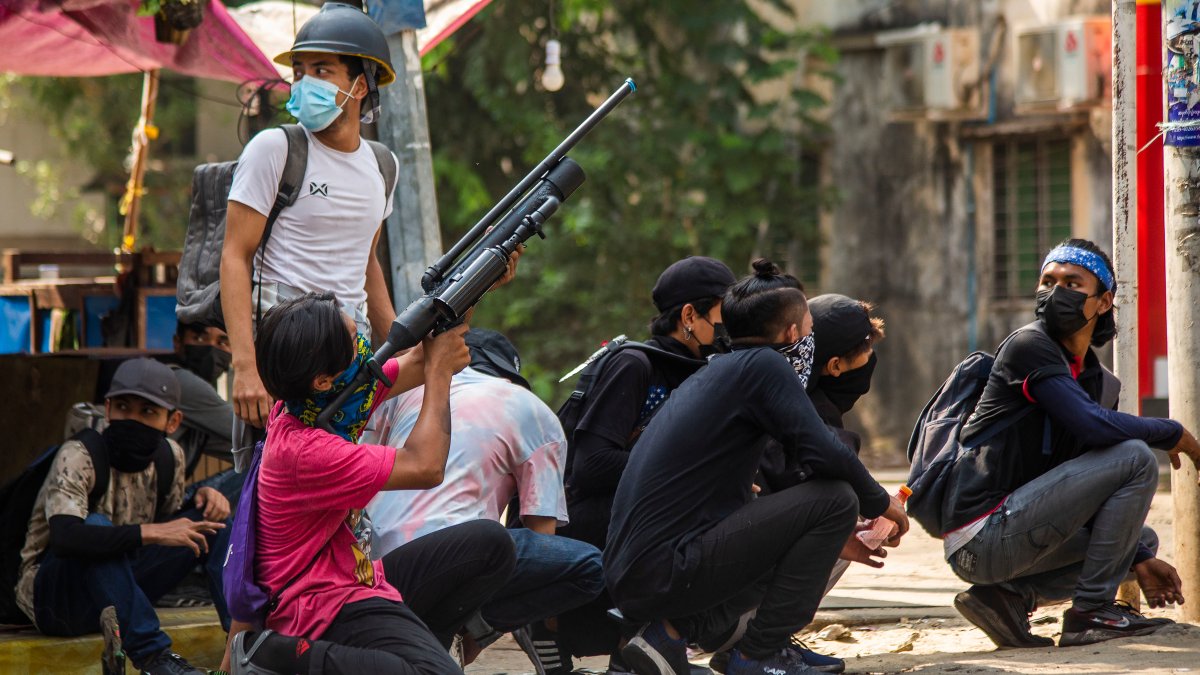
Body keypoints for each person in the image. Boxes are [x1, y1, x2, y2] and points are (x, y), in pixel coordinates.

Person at [604, 260, 909, 675]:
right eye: (810, 329)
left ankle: (667, 636)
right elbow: (822, 451)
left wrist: (827, 539)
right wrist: (881, 504)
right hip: (662, 569)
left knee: (803, 515)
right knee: (836, 499)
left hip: (641, 572)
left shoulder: (724, 368)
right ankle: (759, 653)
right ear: (793, 334)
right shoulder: (764, 366)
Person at [228, 292, 515, 674]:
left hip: (356, 578)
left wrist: (473, 287)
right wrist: (440, 375)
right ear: (323, 380)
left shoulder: (315, 403)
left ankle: (418, 652)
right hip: (316, 607)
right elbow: (425, 466)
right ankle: (272, 656)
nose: (365, 344)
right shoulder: (304, 451)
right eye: (354, 340)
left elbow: (419, 359)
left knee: (491, 544)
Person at [944, 239, 1200, 649]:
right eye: (1048, 281)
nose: (1055, 292)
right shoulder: (1029, 347)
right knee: (1135, 457)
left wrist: (1137, 559)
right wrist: (1170, 432)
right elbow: (1092, 427)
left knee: (1141, 541)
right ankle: (1091, 613)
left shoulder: (1098, 381)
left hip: (1015, 528)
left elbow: (1088, 486)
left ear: (1103, 302)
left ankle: (1007, 599)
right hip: (981, 534)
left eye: (1072, 283)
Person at [363, 328, 604, 673]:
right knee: (589, 567)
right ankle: (469, 634)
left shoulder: (403, 392)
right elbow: (542, 536)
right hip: (458, 557)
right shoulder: (531, 410)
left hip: (374, 568)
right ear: (509, 373)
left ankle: (442, 633)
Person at [220, 1, 401, 458]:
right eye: (299, 71)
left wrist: (399, 348)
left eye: (322, 70)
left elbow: (367, 264)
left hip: (351, 363)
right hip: (285, 361)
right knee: (277, 483)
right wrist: (246, 367)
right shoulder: (274, 149)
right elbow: (235, 256)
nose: (304, 83)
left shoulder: (383, 165)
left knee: (349, 484)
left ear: (361, 83)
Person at [555, 255, 736, 669]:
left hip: (632, 513)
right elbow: (591, 466)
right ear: (689, 316)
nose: (728, 331)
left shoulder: (697, 370)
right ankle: (634, 642)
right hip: (579, 514)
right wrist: (687, 473)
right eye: (723, 318)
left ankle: (646, 646)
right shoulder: (635, 365)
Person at [16, 358, 231, 675]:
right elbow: (65, 538)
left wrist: (202, 498)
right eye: (123, 407)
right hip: (58, 602)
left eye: (148, 412)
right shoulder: (78, 454)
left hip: (123, 588)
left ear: (173, 421)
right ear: (107, 409)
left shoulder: (170, 457)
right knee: (95, 526)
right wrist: (150, 533)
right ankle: (154, 659)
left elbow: (173, 524)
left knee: (212, 522)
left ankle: (241, 643)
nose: (133, 419)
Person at [162, 321, 234, 474]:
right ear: (178, 342)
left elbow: (241, 448)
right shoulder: (179, 382)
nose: (211, 349)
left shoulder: (200, 418)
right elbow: (248, 430)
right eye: (200, 338)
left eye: (222, 342)